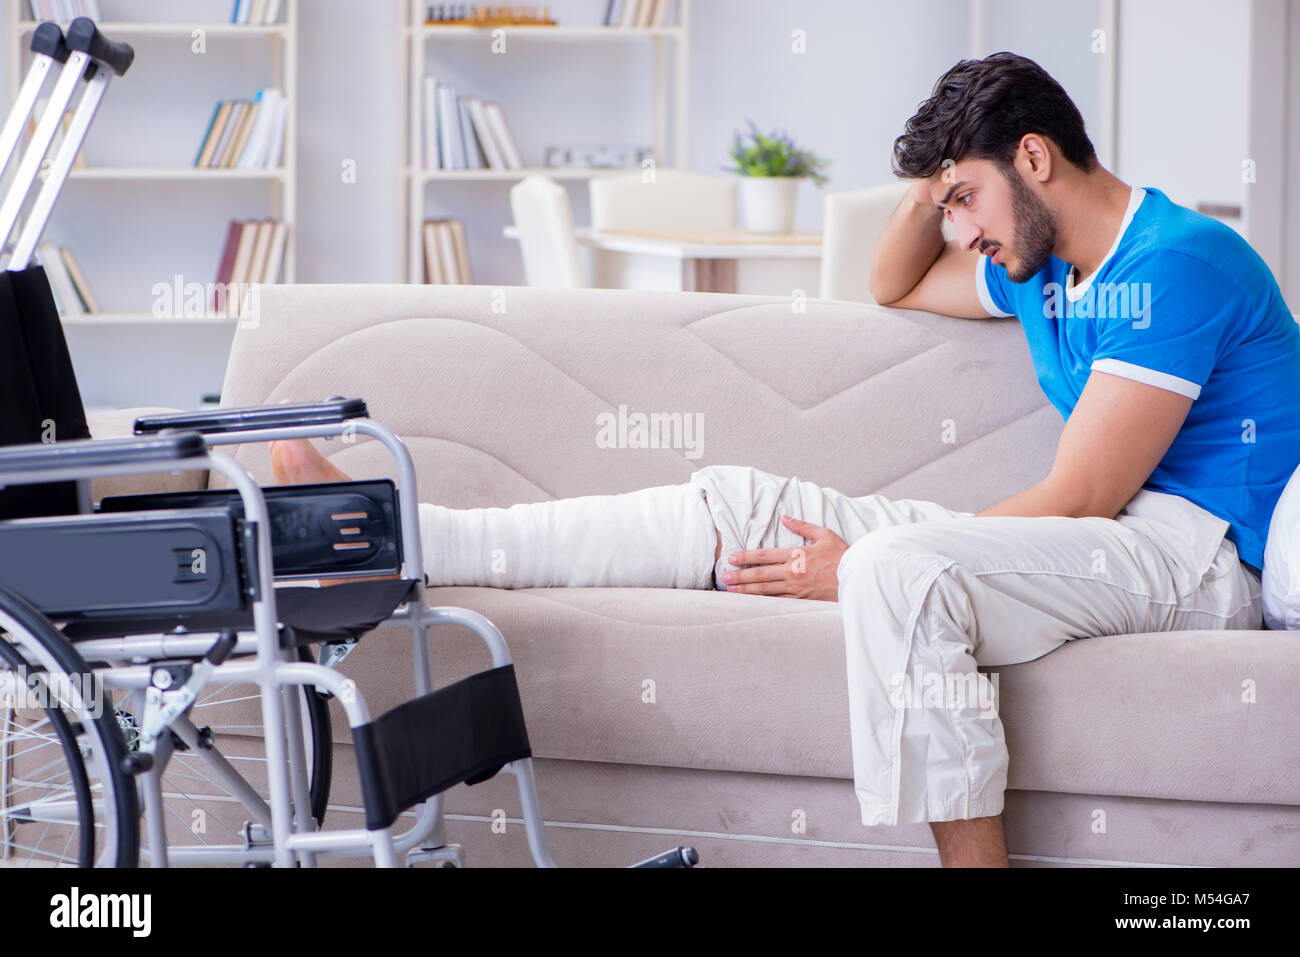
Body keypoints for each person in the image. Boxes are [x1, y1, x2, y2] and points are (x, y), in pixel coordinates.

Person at [270, 51, 1300, 867]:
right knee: (737, 506)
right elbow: (890, 285)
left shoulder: (1175, 262)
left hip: (1200, 557)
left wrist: (848, 568)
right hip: (1102, 540)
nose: (961, 233)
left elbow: (1083, 492)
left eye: (969, 201)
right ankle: (398, 538)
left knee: (898, 568)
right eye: (952, 209)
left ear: (1035, 159)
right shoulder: (1036, 261)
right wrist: (937, 177)